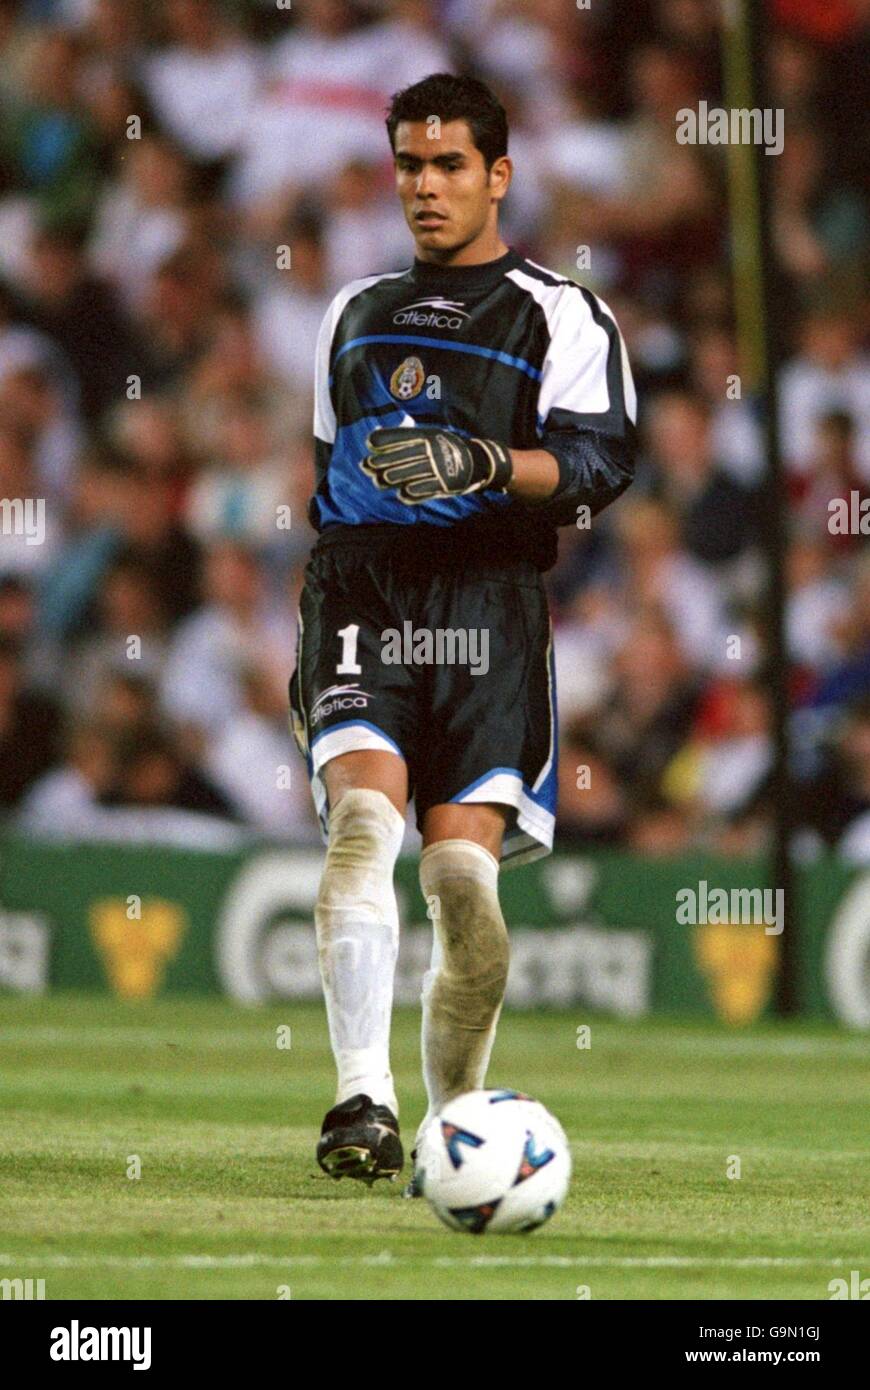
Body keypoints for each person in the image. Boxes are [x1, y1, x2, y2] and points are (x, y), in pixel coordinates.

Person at [288, 73, 637, 1189]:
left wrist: (484, 464)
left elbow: (599, 462)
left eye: (447, 166)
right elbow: (324, 467)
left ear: (499, 174)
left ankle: (455, 1133)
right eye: (407, 164)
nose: (424, 186)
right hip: (363, 587)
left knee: (458, 877)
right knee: (359, 826)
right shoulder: (349, 311)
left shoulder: (559, 310)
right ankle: (360, 1099)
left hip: (488, 600)